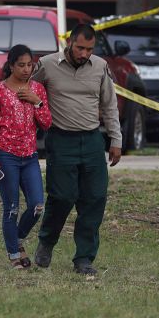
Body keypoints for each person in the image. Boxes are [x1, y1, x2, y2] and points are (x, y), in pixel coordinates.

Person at [30, 24, 121, 277]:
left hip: (92, 139)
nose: (84, 54)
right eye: (80, 47)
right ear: (70, 42)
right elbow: (27, 93)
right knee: (62, 196)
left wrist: (116, 140)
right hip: (61, 139)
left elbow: (109, 105)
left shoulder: (100, 66)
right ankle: (47, 241)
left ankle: (84, 258)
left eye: (89, 49)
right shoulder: (47, 65)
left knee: (94, 198)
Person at [0, 44, 51, 269]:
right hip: (5, 156)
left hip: (30, 156)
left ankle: (17, 239)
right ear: (11, 65)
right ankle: (14, 255)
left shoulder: (37, 89)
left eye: (29, 65)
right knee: (11, 207)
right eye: (20, 65)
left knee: (37, 205)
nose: (25, 69)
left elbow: (46, 123)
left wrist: (36, 101)